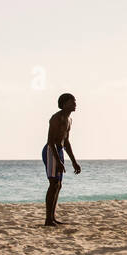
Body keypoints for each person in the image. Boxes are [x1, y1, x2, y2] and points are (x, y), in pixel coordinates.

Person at [43, 93, 82, 226]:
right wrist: (58, 161)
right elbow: (50, 141)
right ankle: (48, 219)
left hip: (59, 151)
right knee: (53, 183)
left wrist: (74, 161)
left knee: (58, 185)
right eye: (72, 102)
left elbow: (66, 142)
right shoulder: (56, 118)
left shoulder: (69, 120)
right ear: (64, 104)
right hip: (51, 150)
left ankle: (52, 217)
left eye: (75, 102)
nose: (75, 104)